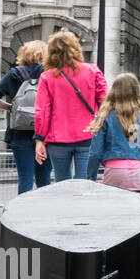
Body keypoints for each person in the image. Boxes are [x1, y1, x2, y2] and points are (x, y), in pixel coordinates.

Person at [33, 30, 108, 182]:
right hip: (88, 135)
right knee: (84, 184)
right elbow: (106, 103)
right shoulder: (93, 71)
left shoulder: (47, 76)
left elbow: (42, 111)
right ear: (75, 48)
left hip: (58, 138)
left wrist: (40, 140)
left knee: (62, 184)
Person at [0, 40, 52, 194]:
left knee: (25, 179)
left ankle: (21, 215)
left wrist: (10, 108)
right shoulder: (50, 75)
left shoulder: (13, 74)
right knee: (45, 179)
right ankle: (46, 214)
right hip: (46, 134)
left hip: (19, 133)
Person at [86, 73, 140, 196]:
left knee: (115, 212)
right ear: (137, 92)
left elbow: (95, 152)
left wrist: (91, 177)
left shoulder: (105, 117)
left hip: (114, 172)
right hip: (138, 173)